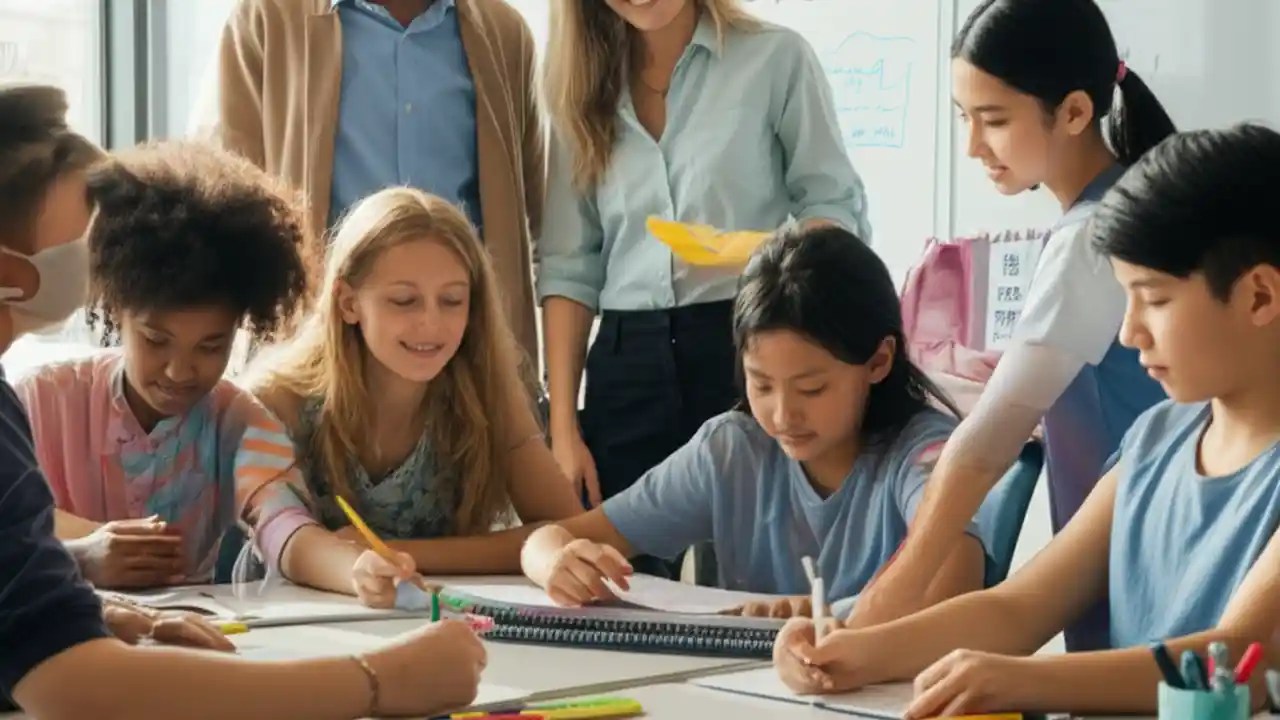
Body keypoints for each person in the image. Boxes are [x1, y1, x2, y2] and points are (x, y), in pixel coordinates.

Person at [0, 84, 485, 720]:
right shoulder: (34, 402)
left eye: (210, 344)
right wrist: (379, 680)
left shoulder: (237, 419)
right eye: (77, 236)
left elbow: (281, 520)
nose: (180, 368)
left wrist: (109, 614)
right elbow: (70, 684)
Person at [775, 124, 1280, 718]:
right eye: (1126, 299)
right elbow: (1020, 608)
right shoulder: (1157, 438)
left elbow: (1240, 662)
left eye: (1156, 299)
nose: (1129, 331)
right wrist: (855, 650)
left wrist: (1022, 680)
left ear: (1260, 297)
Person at [851, 0, 1175, 648]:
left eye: (994, 121)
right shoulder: (1124, 208)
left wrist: (875, 614)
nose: (972, 146)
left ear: (1077, 112)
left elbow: (982, 449)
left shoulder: (1091, 237)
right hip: (1129, 556)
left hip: (1138, 566)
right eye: (964, 119)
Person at [538, 0, 869, 579]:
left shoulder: (775, 58)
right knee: (615, 589)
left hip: (745, 350)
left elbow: (834, 207)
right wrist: (564, 426)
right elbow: (570, 266)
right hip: (626, 361)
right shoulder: (575, 87)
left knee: (749, 588)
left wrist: (758, 248)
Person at [522, 227, 985, 618]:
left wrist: (823, 614)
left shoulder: (924, 453)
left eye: (812, 389)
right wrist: (550, 560)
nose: (783, 416)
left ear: (879, 361)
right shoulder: (733, 451)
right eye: (761, 385)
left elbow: (953, 583)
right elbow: (554, 536)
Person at [246, 187, 582, 576]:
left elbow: (572, 531)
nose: (431, 324)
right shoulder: (278, 401)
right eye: (404, 301)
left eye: (453, 300)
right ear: (348, 303)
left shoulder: (488, 393)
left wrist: (398, 553)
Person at [200, 0, 544, 364]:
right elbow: (228, 210)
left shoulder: (503, 32)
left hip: (459, 348)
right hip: (318, 347)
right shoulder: (269, 19)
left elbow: (537, 219)